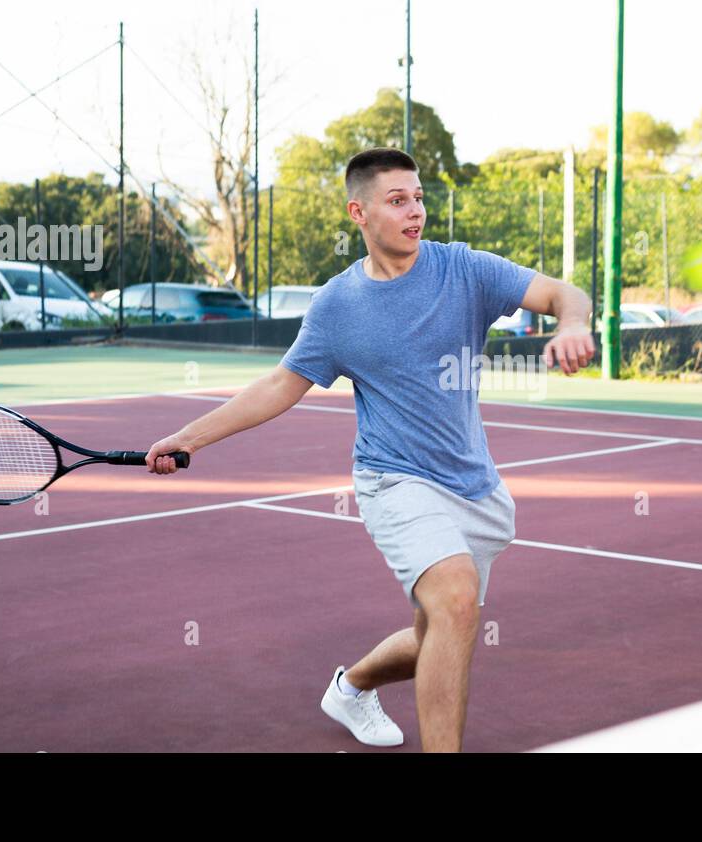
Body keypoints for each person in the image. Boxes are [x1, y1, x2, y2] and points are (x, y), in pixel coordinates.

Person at [144, 147, 595, 751]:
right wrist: (187, 437)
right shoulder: (338, 306)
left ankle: (351, 687)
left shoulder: (465, 270)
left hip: (474, 485)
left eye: (419, 198)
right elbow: (282, 384)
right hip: (394, 479)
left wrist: (572, 324)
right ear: (359, 212)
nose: (416, 211)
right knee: (457, 600)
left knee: (439, 628)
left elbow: (565, 292)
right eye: (398, 200)